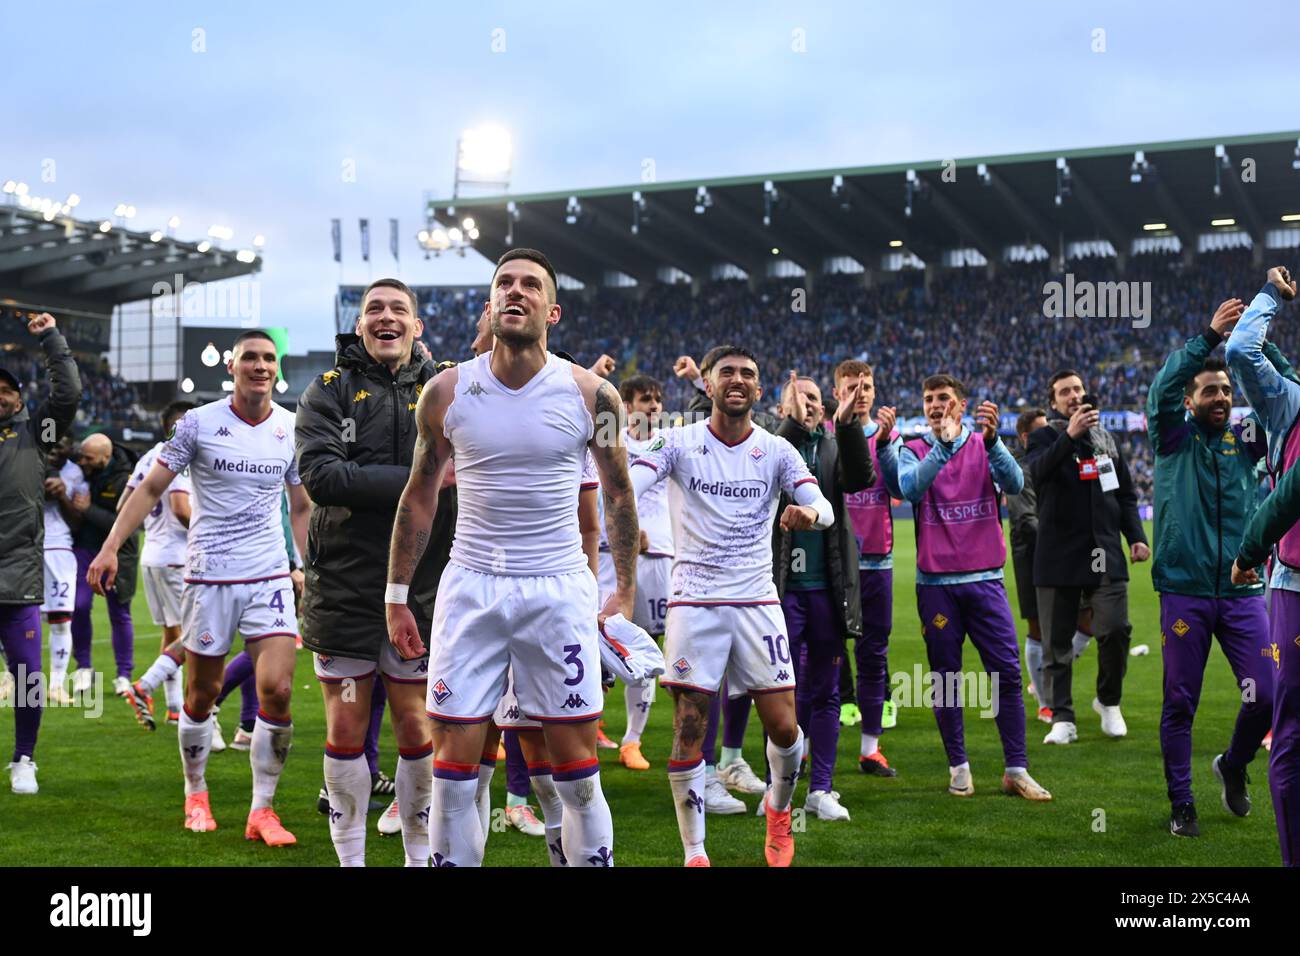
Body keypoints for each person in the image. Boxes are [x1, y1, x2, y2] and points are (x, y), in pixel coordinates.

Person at [386, 247, 637, 868]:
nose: (515, 292)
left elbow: (618, 490)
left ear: (553, 310)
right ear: (490, 303)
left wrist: (623, 589)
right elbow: (419, 496)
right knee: (454, 778)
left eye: (530, 285)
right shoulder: (446, 392)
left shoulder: (592, 395)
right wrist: (396, 595)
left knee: (575, 777)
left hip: (557, 590)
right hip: (471, 588)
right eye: (505, 284)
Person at [87, 329, 310, 845]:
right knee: (202, 693)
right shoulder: (198, 423)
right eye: (250, 358)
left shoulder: (290, 428)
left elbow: (300, 505)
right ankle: (196, 792)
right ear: (232, 366)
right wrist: (109, 547)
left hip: (269, 573)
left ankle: (262, 812)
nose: (260, 366)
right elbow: (150, 488)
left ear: (277, 369)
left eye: (269, 358)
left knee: (276, 691)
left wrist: (306, 565)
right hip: (209, 576)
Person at [632, 344, 835, 867]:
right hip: (694, 603)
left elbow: (824, 507)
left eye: (748, 374)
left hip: (756, 600)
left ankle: (778, 808)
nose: (738, 380)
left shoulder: (776, 451)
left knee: (785, 729)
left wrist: (808, 515)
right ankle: (694, 851)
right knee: (689, 725)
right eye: (727, 373)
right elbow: (629, 484)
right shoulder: (677, 443)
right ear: (709, 383)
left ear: (760, 389)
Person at [294, 277, 439, 867]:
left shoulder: (444, 386)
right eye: (373, 309)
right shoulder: (327, 390)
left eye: (397, 309)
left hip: (424, 585)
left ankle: (417, 854)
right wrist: (423, 480)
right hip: (347, 586)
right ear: (359, 326)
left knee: (416, 725)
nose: (385, 317)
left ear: (416, 325)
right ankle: (350, 859)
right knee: (348, 724)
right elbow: (323, 477)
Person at [878, 375, 1051, 801]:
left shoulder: (985, 443)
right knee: (947, 681)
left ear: (961, 404)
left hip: (985, 581)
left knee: (1006, 676)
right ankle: (959, 766)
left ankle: (1016, 769)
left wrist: (993, 442)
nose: (936, 406)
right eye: (929, 400)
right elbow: (911, 487)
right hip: (936, 586)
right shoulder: (914, 449)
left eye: (944, 399)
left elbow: (1014, 485)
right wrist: (944, 445)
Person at [1149, 297, 1275, 839]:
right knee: (1180, 701)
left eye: (1226, 390)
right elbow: (1159, 390)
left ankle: (1233, 763)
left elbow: (1279, 405)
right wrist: (1207, 337)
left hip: (1243, 591)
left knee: (1266, 696)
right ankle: (1183, 804)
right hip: (1184, 592)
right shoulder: (1171, 435)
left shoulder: (1246, 439)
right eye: (1211, 391)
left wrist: (1255, 344)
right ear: (1190, 399)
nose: (1221, 397)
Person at [1027, 368, 1149, 744]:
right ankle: (1063, 716)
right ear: (1053, 403)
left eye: (1078, 388)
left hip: (1104, 553)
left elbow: (1124, 493)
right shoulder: (1042, 438)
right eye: (1065, 391)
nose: (1074, 395)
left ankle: (1108, 701)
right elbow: (1035, 474)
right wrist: (1069, 436)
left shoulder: (1105, 441)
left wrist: (1136, 537)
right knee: (1057, 643)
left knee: (1115, 629)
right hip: (1059, 556)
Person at [1224, 264, 1300, 866]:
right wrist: (1271, 295)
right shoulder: (1288, 402)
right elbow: (1241, 348)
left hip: (1277, 570)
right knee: (1293, 727)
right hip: (1294, 583)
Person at [773, 370, 874, 820]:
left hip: (829, 591)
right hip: (783, 588)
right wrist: (793, 425)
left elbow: (860, 479)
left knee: (828, 690)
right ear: (783, 408)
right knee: (781, 692)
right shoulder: (773, 444)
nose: (811, 404)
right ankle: (779, 791)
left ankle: (822, 789)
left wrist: (849, 426)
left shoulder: (834, 446)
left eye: (817, 399)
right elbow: (774, 477)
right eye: (801, 398)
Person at [0, 312, 80, 794]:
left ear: (18, 397)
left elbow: (67, 393)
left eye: (5, 388)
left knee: (29, 674)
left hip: (15, 577)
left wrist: (51, 338)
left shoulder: (37, 434)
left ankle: (23, 758)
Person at [833, 359, 902, 775]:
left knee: (874, 652)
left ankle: (870, 748)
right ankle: (806, 747)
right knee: (823, 652)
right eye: (852, 386)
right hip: (836, 560)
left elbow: (900, 490)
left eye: (867, 385)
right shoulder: (824, 437)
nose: (861, 392)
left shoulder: (886, 437)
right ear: (837, 391)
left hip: (877, 561)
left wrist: (891, 441)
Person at [118, 401, 196, 728]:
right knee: (200, 635)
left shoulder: (148, 456)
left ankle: (175, 707)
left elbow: (124, 505)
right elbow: (180, 507)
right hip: (178, 557)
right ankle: (145, 685)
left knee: (172, 633)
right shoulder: (181, 455)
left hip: (152, 556)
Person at [70, 433, 140, 696]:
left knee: (119, 611)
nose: (83, 461)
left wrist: (88, 510)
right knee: (79, 606)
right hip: (86, 547)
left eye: (89, 458)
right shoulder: (81, 469)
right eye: (82, 456)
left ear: (105, 457)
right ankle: (83, 669)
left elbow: (128, 524)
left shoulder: (126, 479)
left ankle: (124, 675)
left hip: (120, 553)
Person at [1008, 407, 1051, 724]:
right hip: (1030, 557)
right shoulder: (1020, 472)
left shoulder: (1053, 465)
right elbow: (1025, 519)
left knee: (1087, 621)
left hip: (1059, 555)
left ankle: (1044, 679)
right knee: (1037, 627)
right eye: (1041, 431)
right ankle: (1044, 699)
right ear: (1025, 437)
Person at [40, 436, 88, 705]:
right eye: (51, 445)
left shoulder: (75, 473)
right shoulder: (22, 463)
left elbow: (78, 522)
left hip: (59, 548)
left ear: (70, 449)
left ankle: (56, 685)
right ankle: (10, 678)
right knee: (16, 620)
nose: (55, 450)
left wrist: (61, 496)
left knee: (60, 622)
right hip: (22, 549)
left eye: (61, 445)